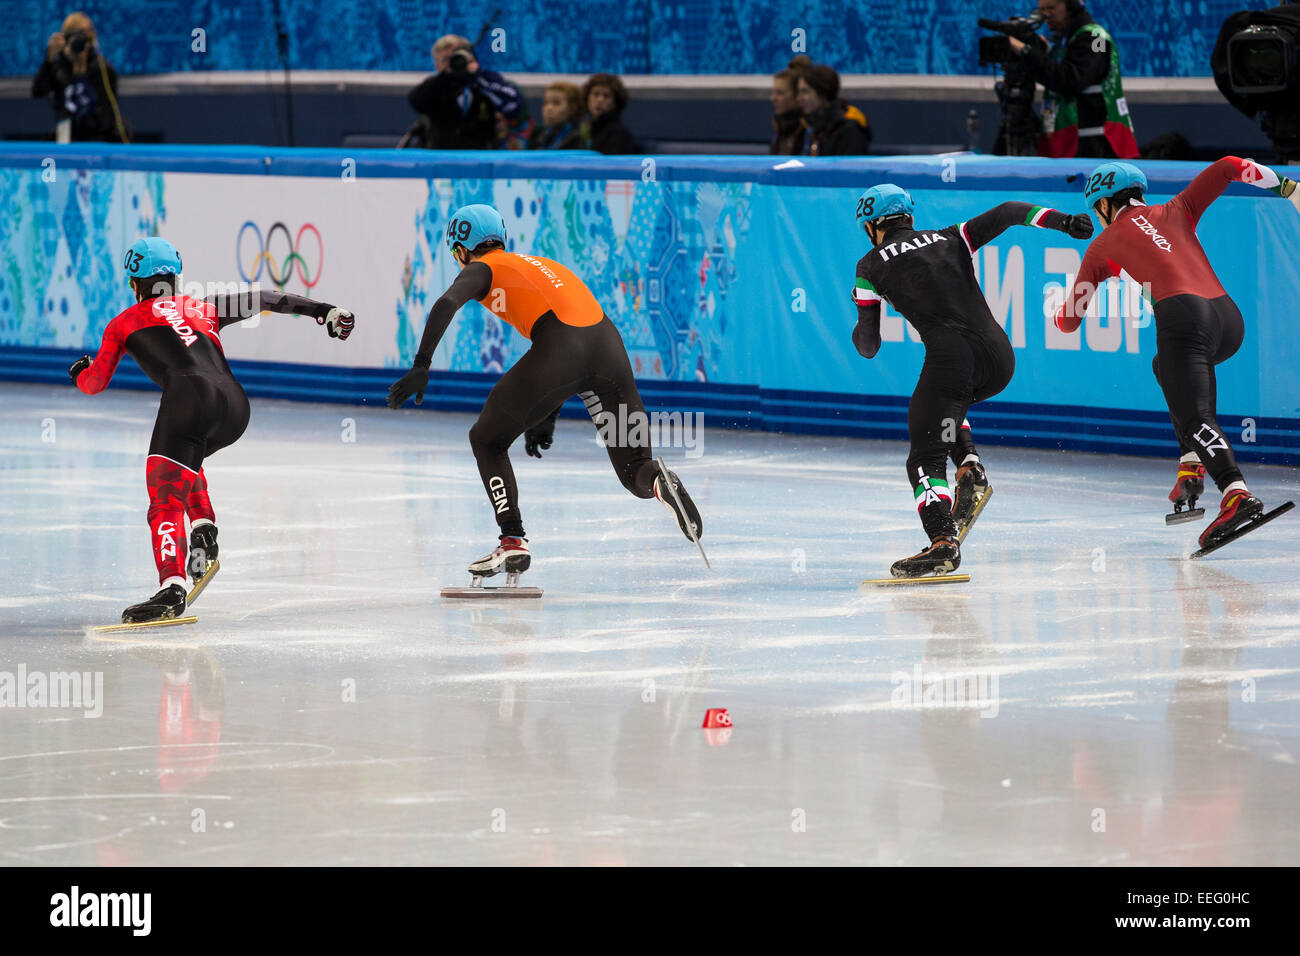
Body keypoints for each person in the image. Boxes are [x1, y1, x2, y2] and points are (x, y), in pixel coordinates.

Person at [385, 205, 701, 583]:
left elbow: (446, 302)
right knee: (635, 469)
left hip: (561, 350)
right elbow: (575, 339)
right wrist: (544, 413)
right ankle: (659, 482)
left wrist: (422, 365)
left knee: (486, 439)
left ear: (461, 249)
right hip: (609, 348)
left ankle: (512, 540)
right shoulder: (538, 264)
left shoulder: (483, 268)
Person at [69, 238, 356, 623]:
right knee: (186, 460)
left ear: (134, 285)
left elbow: (96, 383)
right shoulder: (205, 307)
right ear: (176, 279)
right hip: (235, 406)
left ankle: (171, 588)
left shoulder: (123, 323)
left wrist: (80, 373)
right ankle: (204, 529)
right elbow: (266, 298)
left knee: (165, 497)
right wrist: (325, 311)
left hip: (189, 399)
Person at [1054, 159, 1299, 550]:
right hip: (1228, 320)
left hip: (1185, 319)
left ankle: (1235, 493)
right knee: (1168, 371)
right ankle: (1191, 466)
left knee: (1193, 415)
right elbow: (1229, 166)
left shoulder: (1103, 245)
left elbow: (1068, 322)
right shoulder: (1177, 208)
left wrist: (1055, 313)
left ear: (1102, 205)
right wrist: (1289, 190)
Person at [853, 185, 1092, 577]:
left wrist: (863, 301)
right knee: (945, 408)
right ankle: (969, 467)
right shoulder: (950, 236)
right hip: (999, 359)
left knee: (924, 458)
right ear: (909, 218)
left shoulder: (868, 266)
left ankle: (943, 543)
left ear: (872, 227)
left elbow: (868, 346)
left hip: (952, 362)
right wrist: (1063, 222)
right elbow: (1009, 209)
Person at [1007, 0, 1138, 159]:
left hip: (1100, 145)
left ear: (1071, 6)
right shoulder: (1064, 42)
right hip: (1073, 142)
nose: (1046, 15)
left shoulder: (1097, 38)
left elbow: (1073, 79)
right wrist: (1041, 55)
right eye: (1042, 9)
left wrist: (1027, 52)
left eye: (1051, 8)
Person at [406, 34, 524, 150]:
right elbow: (415, 101)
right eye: (446, 59)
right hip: (443, 157)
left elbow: (513, 104)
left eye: (457, 57)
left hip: (481, 157)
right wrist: (446, 75)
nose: (453, 62)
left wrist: (478, 76)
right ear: (437, 65)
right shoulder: (435, 86)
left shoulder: (484, 81)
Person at [31, 12, 129, 143]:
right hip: (67, 136)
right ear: (66, 37)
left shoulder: (102, 68)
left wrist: (81, 73)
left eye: (89, 31)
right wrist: (48, 60)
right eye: (79, 33)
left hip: (97, 138)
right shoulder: (58, 67)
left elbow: (107, 113)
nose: (85, 36)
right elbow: (37, 92)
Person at [796, 64, 871, 156]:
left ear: (822, 94)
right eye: (799, 91)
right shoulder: (810, 126)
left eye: (805, 91)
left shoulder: (849, 130)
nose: (799, 98)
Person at [580, 74, 639, 155]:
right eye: (595, 94)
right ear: (587, 98)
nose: (600, 100)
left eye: (606, 96)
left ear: (615, 103)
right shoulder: (583, 128)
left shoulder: (618, 134)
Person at [527, 81, 584, 150]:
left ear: (572, 109)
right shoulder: (539, 137)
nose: (549, 108)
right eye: (546, 103)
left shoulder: (578, 140)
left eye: (556, 103)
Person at [770, 61, 806, 155]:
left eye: (780, 93)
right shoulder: (780, 127)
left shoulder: (808, 132)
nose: (773, 98)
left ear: (797, 95)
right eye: (773, 92)